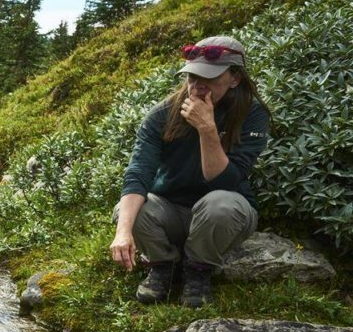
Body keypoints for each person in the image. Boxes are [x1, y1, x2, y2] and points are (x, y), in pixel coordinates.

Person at [110, 35, 271, 307]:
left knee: (220, 204)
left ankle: (198, 269)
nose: (197, 86)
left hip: (224, 212)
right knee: (128, 211)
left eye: (209, 78)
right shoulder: (162, 115)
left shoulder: (252, 114)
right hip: (171, 210)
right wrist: (123, 232)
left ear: (235, 79)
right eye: (192, 76)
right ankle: (163, 265)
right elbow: (139, 173)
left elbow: (225, 181)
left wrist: (206, 129)